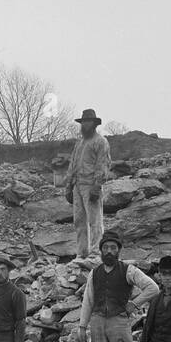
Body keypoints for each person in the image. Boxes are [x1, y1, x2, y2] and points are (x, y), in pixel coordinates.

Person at [63, 108, 111, 261]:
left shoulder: (100, 142)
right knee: (79, 221)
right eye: (83, 122)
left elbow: (103, 164)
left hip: (91, 185)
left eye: (88, 122)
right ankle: (82, 252)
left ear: (94, 124)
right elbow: (73, 164)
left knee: (95, 220)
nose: (85, 125)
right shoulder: (79, 143)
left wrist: (97, 186)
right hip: (78, 185)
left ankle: (96, 252)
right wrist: (69, 186)